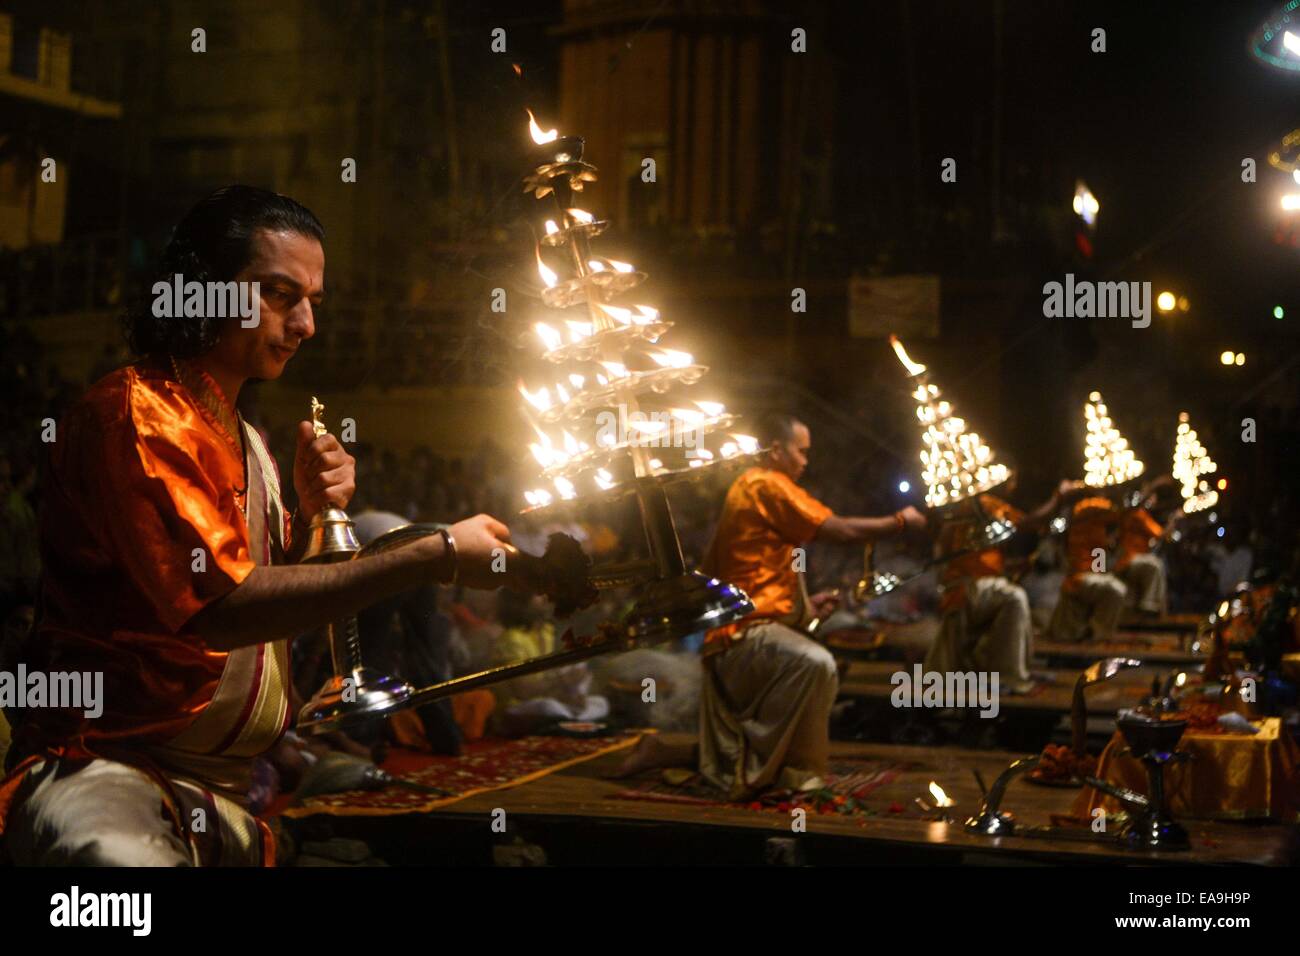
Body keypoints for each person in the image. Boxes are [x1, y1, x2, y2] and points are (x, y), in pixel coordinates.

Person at [0, 186, 533, 866]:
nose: (307, 323)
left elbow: (272, 622)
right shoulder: (134, 414)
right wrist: (434, 554)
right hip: (105, 770)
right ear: (203, 291)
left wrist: (317, 521)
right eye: (280, 294)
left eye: (313, 300)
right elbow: (223, 610)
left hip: (221, 789)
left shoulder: (249, 440)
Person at [618, 412, 925, 799]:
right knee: (815, 663)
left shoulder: (754, 487)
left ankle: (673, 751)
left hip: (748, 627)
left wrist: (805, 605)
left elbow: (758, 575)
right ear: (777, 450)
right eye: (801, 451)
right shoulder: (765, 483)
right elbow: (840, 530)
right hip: (740, 633)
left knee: (814, 669)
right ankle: (794, 775)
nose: (806, 460)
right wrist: (900, 521)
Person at [924, 479, 1084, 693]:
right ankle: (1010, 675)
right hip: (968, 586)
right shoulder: (984, 503)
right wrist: (1059, 497)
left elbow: (978, 555)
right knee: (1014, 597)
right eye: (1010, 479)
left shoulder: (973, 507)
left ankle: (1013, 669)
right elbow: (1028, 523)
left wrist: (1015, 565)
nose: (1013, 485)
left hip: (972, 584)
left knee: (1018, 597)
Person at [1047, 493, 1127, 643]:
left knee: (1114, 586)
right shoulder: (1083, 525)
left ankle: (1096, 634)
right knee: (1116, 589)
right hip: (1078, 578)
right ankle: (1096, 635)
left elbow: (1100, 567)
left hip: (1090, 576)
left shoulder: (1101, 539)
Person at [1115, 477, 1178, 618]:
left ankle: (1154, 610)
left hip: (1136, 559)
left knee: (1158, 564)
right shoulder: (1136, 513)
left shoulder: (1141, 514)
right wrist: (1174, 519)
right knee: (1155, 565)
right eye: (1152, 497)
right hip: (1127, 560)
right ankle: (1149, 606)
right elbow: (1162, 534)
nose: (1154, 500)